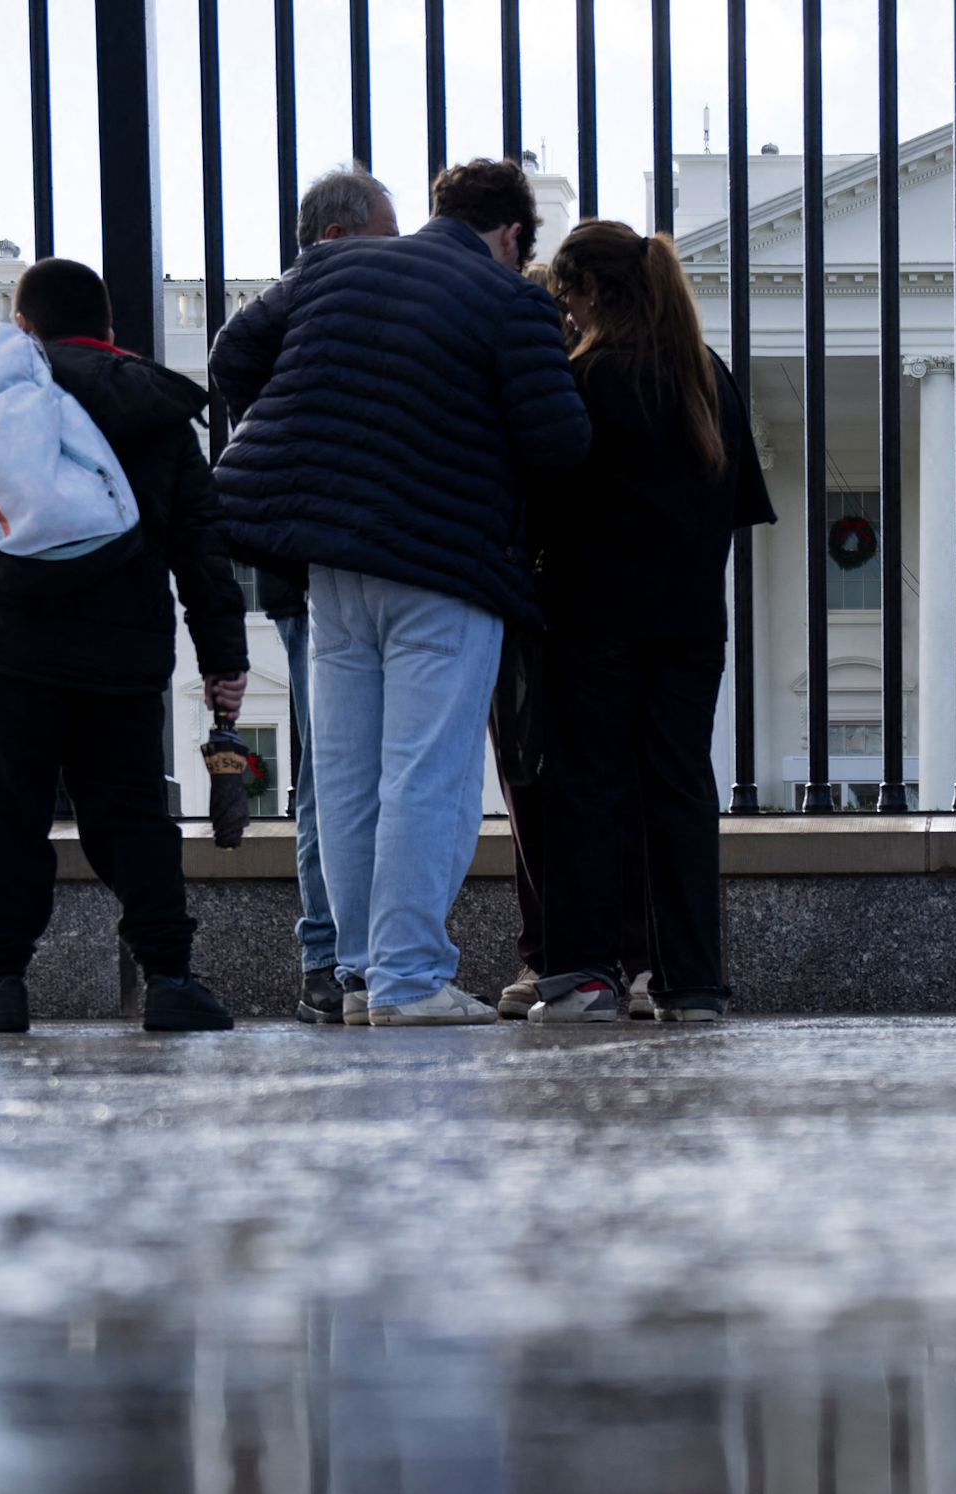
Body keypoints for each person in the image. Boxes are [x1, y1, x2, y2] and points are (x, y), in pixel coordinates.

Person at [208, 156, 591, 1028]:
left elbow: (234, 355)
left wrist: (324, 432)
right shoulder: (509, 300)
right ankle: (409, 977)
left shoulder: (332, 265)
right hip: (444, 563)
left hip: (332, 563)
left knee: (346, 772)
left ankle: (357, 974)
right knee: (429, 772)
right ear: (511, 235)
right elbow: (558, 441)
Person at [0, 256, 254, 1034]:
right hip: (124, 650)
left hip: (12, 645)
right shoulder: (154, 406)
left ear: (23, 326)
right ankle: (169, 978)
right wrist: (223, 659)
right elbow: (202, 545)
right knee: (134, 814)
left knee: (8, 813)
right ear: (108, 326)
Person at [515, 219, 776, 1025]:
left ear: (590, 290)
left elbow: (542, 504)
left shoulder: (585, 379)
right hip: (692, 623)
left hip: (594, 618)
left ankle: (585, 975)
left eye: (566, 296)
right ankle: (692, 982)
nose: (565, 312)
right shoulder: (706, 375)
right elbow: (740, 504)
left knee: (586, 789)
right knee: (681, 790)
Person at [254, 168, 402, 1025]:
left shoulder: (288, 313)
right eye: (388, 237)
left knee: (340, 767)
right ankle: (334, 954)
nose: (400, 256)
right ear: (340, 238)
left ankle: (345, 955)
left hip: (316, 560)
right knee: (335, 770)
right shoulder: (308, 309)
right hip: (321, 566)